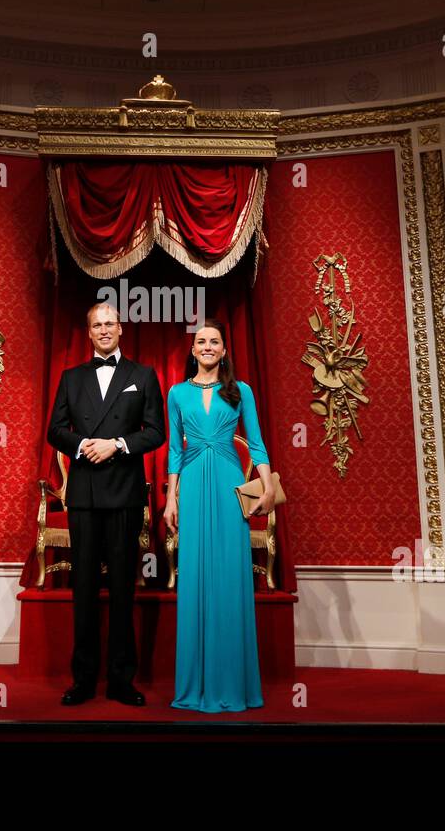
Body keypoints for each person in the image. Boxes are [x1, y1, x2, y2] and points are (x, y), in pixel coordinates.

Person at [46, 302, 165, 706]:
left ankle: (120, 679)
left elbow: (156, 433)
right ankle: (82, 678)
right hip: (84, 495)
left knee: (121, 588)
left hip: (125, 493)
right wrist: (82, 445)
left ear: (121, 328)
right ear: (88, 331)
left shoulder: (143, 375)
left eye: (109, 323)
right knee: (83, 589)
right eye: (96, 324)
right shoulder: (71, 377)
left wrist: (116, 444)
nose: (103, 330)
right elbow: (55, 430)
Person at [164, 318, 275, 713]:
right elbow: (175, 450)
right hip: (192, 485)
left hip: (229, 484)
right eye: (201, 341)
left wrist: (269, 487)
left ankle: (234, 683)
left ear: (224, 350)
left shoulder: (241, 391)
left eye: (214, 341)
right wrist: (171, 498)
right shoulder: (176, 394)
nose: (207, 346)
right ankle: (196, 685)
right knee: (195, 576)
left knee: (230, 575)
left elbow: (258, 445)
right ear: (192, 351)